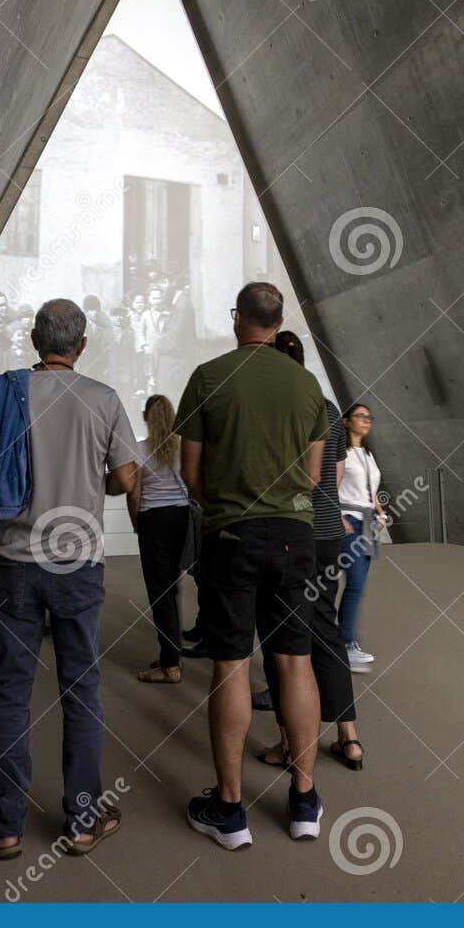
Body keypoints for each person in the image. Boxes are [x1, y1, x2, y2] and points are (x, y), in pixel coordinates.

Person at [0, 299, 140, 859]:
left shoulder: (4, 393)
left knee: (10, 692)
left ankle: (6, 825)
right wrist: (96, 483)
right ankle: (81, 821)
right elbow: (124, 478)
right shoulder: (103, 400)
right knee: (81, 690)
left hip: (14, 562)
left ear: (32, 340)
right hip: (77, 564)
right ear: (83, 344)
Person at [177, 282, 328, 850]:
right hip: (295, 536)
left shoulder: (209, 376)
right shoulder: (307, 385)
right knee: (294, 664)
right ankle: (304, 801)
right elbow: (313, 478)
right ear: (280, 319)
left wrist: (222, 502)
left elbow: (191, 471)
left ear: (238, 319)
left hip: (231, 535)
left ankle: (231, 809)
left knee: (232, 665)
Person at [258, 332, 364, 770]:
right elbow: (334, 477)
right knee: (327, 628)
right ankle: (349, 737)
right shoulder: (329, 409)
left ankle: (288, 743)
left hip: (288, 530)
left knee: (281, 638)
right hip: (325, 533)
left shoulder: (273, 406)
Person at [129, 394, 193, 684]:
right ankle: (173, 653)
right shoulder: (185, 448)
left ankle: (170, 665)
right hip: (182, 519)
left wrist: (137, 524)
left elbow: (134, 493)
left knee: (160, 592)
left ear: (145, 417)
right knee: (173, 589)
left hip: (154, 521)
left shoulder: (139, 450)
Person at [339, 402, 386, 667]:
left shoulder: (368, 454)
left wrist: (382, 515)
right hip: (350, 522)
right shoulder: (341, 453)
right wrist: (338, 516)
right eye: (360, 416)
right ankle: (346, 643)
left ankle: (343, 640)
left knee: (357, 586)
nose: (366, 420)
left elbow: (371, 492)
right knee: (355, 584)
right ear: (346, 421)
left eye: (369, 417)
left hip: (368, 523)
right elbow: (327, 485)